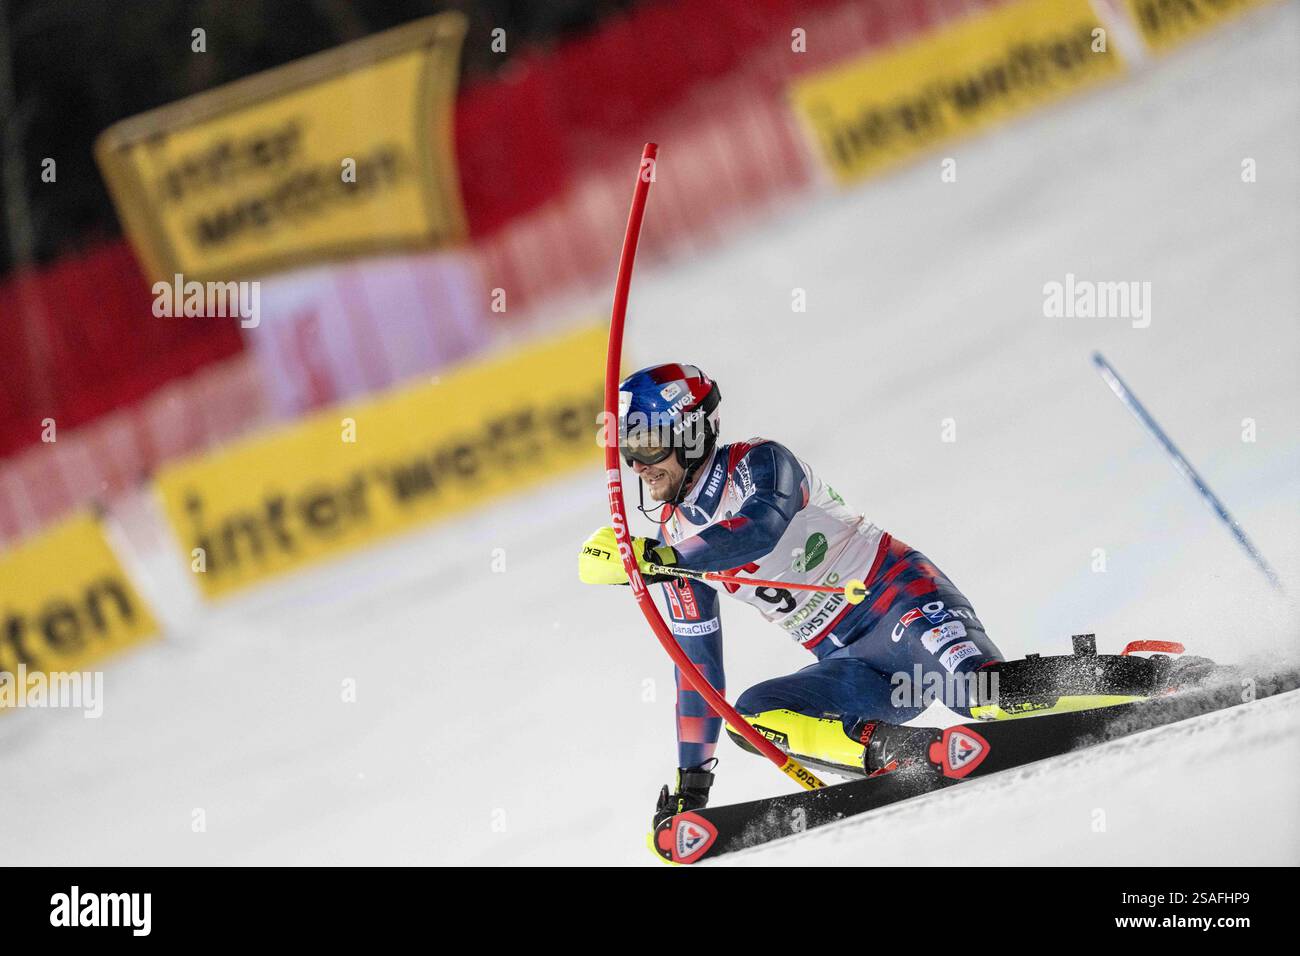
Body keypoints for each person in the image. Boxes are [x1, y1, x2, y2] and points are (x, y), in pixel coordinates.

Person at [579, 363, 1003, 825]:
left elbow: (759, 529)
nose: (638, 465)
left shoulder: (760, 463)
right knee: (754, 716)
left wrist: (663, 559)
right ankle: (896, 751)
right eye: (628, 450)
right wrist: (691, 784)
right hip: (853, 667)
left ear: (692, 434)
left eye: (647, 445)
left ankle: (1084, 680)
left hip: (899, 603)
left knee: (979, 692)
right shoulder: (674, 541)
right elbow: (699, 669)